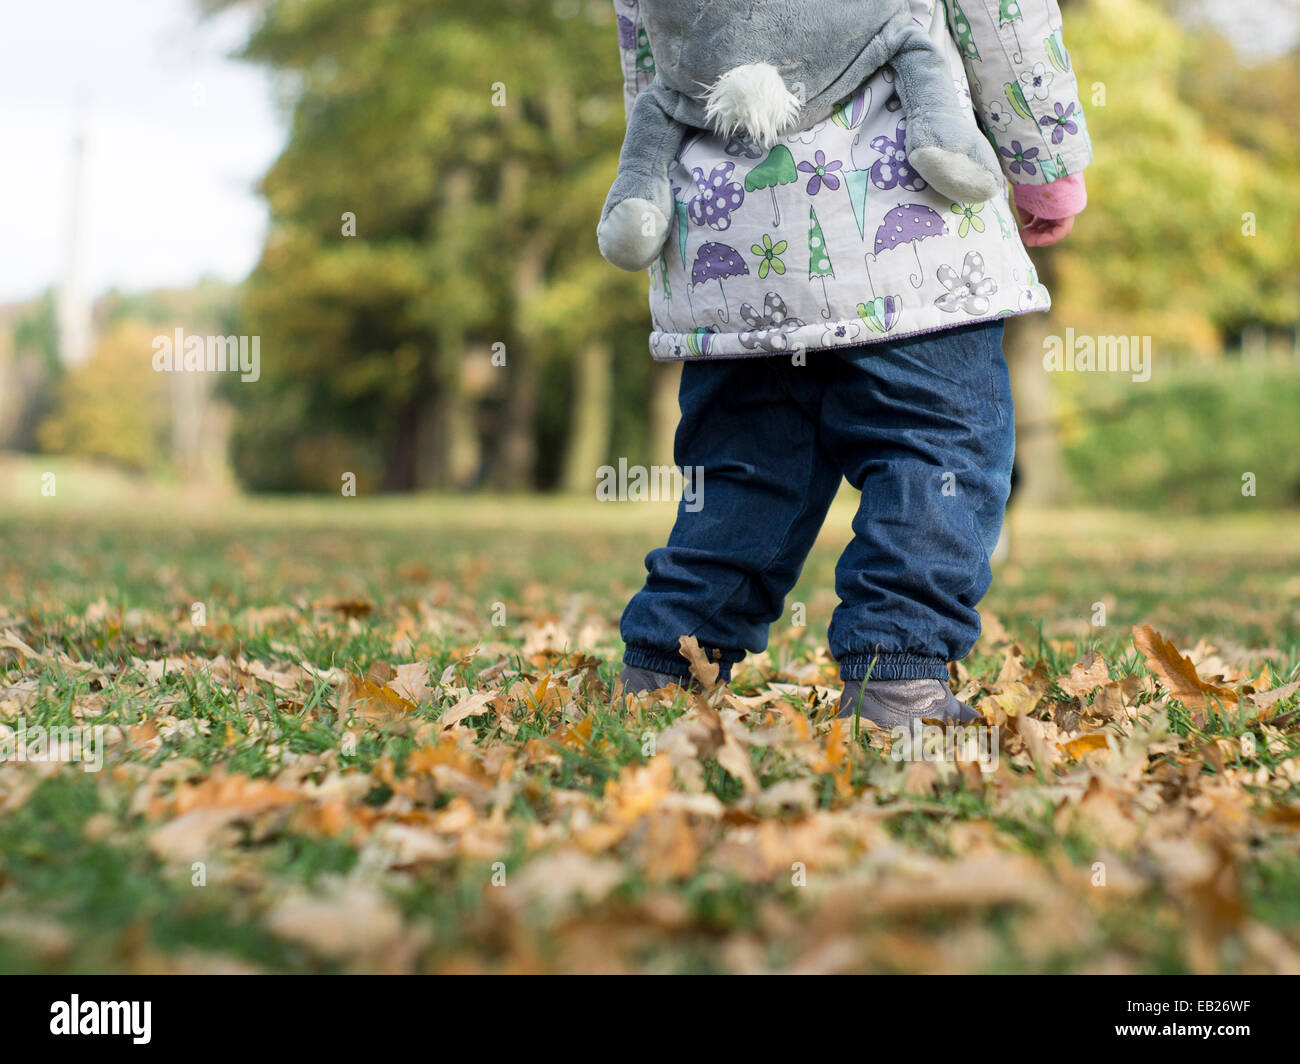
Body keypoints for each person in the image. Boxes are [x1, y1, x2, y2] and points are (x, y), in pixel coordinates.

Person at [612, 0, 1091, 725]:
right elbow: (1004, 18)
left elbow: (647, 51)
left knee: (742, 480)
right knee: (935, 459)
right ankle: (896, 678)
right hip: (917, 247)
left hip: (737, 259)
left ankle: (662, 671)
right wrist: (1044, 165)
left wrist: (655, 200)